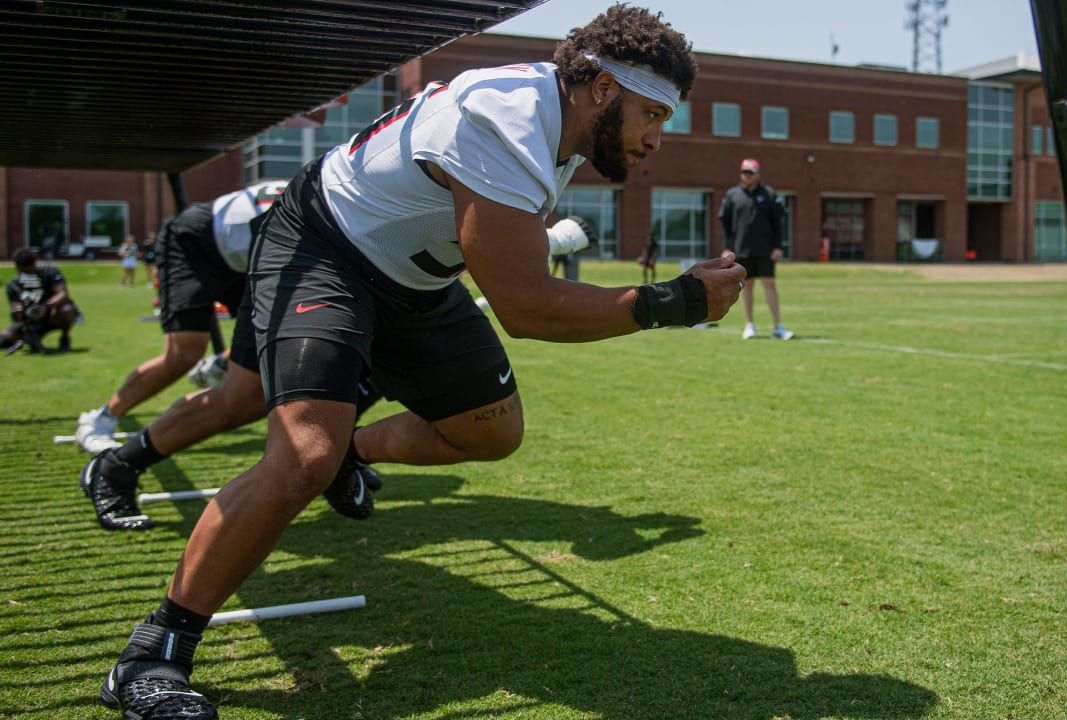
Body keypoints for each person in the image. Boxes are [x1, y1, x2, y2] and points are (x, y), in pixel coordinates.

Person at [94, 7, 743, 719]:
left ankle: (353, 450)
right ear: (600, 87)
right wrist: (676, 301)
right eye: (652, 114)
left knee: (490, 431)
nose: (655, 138)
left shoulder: (555, 117)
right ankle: (155, 651)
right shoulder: (509, 117)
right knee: (301, 455)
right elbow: (525, 306)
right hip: (327, 251)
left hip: (415, 279)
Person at [78, 281, 386, 531]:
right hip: (309, 262)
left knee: (396, 364)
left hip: (387, 274)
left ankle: (343, 455)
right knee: (241, 398)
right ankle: (116, 467)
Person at [74, 181, 288, 455]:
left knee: (281, 332)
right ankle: (101, 418)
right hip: (196, 240)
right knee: (184, 353)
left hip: (246, 254)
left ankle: (221, 362)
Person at [719, 158, 794, 340]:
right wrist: (725, 247)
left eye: (750, 173)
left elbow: (778, 223)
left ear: (758, 174)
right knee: (748, 285)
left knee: (770, 284)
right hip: (742, 249)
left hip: (765, 249)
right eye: (744, 172)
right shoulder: (732, 195)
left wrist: (778, 246)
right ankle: (749, 325)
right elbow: (725, 224)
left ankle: (778, 326)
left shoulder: (769, 194)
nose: (747, 176)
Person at [2, 249, 80, 354]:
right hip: (30, 320)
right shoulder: (13, 285)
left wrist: (45, 306)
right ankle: (31, 338)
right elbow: (16, 316)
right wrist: (19, 313)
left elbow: (63, 294)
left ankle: (65, 338)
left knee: (67, 310)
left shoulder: (50, 272)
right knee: (3, 340)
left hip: (52, 315)